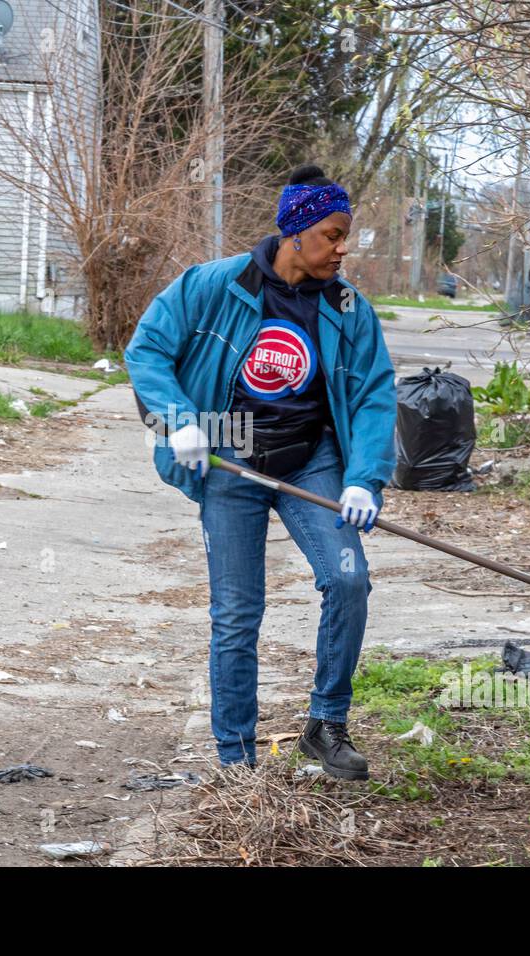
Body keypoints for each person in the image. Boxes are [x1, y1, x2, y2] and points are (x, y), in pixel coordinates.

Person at [124, 164, 396, 779]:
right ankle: (236, 759)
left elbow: (377, 392)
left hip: (313, 459)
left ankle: (326, 725)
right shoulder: (214, 284)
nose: (342, 248)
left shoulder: (349, 307)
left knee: (348, 580)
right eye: (332, 234)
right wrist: (179, 420)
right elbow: (147, 349)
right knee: (238, 612)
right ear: (296, 232)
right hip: (230, 457)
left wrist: (364, 478)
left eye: (344, 234)